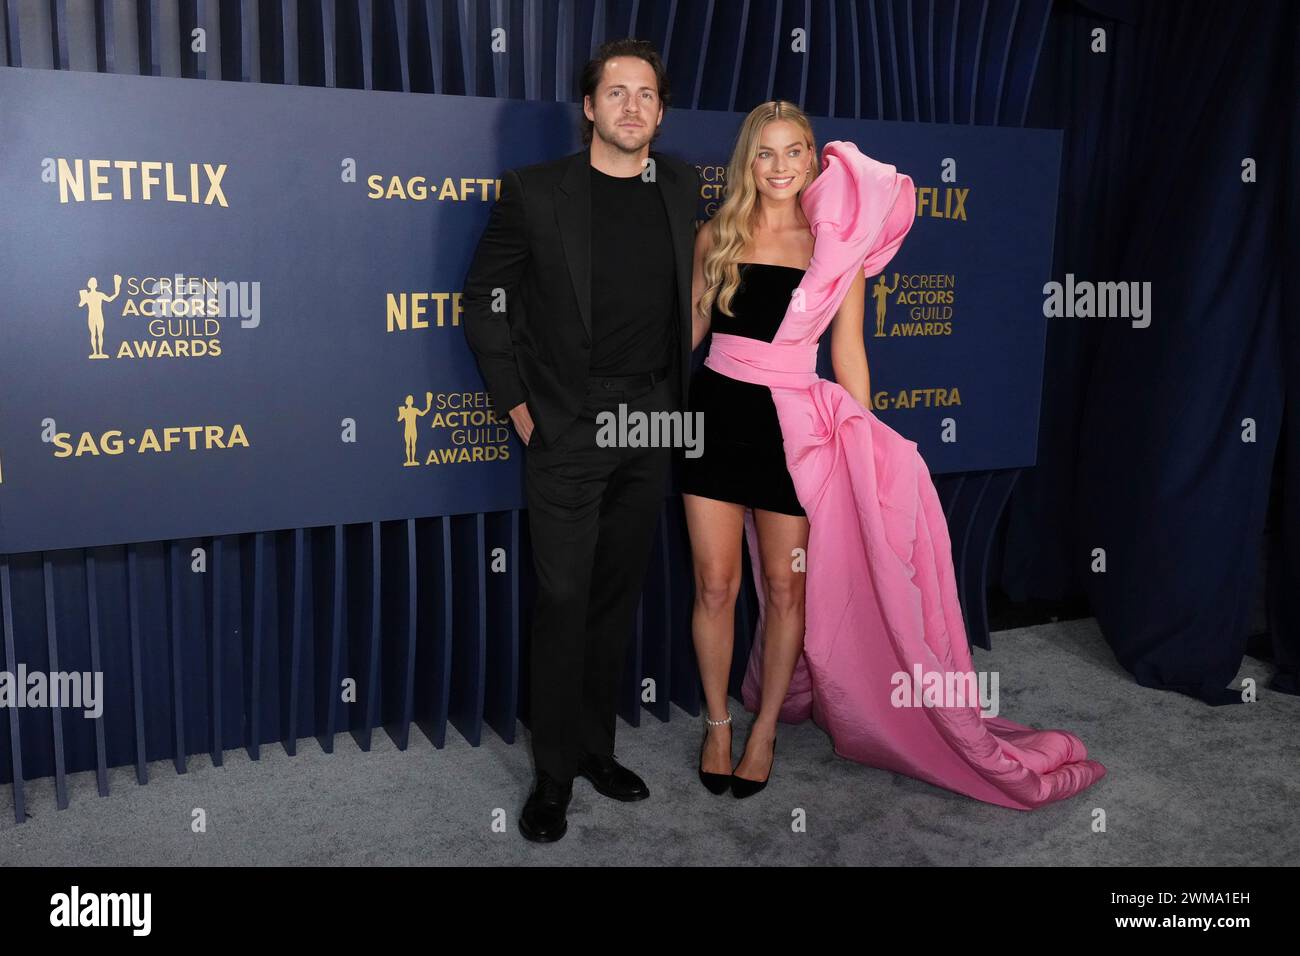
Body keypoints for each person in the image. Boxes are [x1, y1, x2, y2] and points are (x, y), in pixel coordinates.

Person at [683, 100, 1107, 809]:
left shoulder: (836, 246)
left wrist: (866, 443)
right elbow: (687, 335)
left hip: (797, 435)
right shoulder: (716, 235)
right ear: (746, 162)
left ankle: (763, 734)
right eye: (766, 152)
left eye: (795, 151)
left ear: (815, 160)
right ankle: (720, 726)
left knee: (789, 590)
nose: (780, 166)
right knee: (716, 586)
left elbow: (848, 350)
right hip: (713, 421)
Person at [462, 38, 700, 842]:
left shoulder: (681, 187)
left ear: (660, 113)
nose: (633, 107)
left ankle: (598, 748)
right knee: (563, 601)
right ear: (590, 107)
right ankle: (554, 774)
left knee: (613, 597)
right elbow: (483, 299)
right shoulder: (535, 193)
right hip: (567, 423)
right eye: (616, 93)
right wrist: (517, 407)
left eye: (647, 95)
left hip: (653, 422)